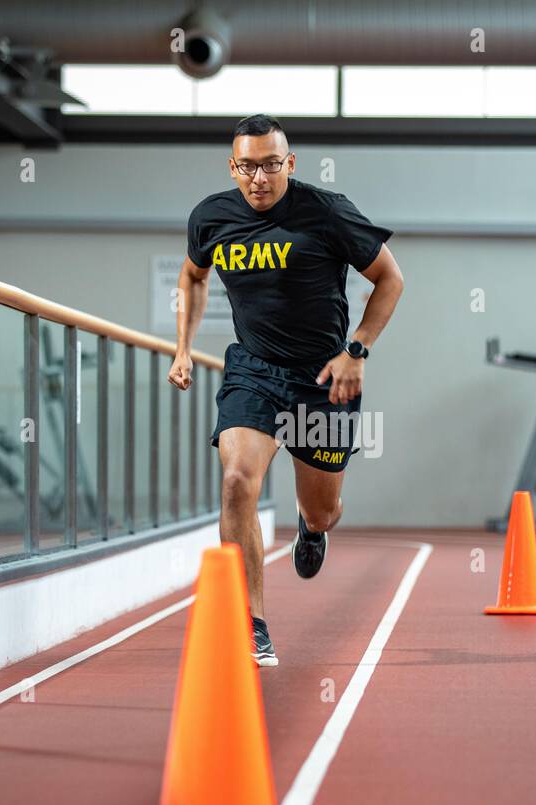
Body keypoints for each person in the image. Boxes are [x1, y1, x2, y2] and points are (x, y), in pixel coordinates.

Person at [168, 113, 404, 665]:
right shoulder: (211, 218)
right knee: (235, 481)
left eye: (271, 165)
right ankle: (250, 622)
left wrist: (357, 350)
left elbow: (391, 279)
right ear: (233, 167)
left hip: (324, 381)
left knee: (323, 510)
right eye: (248, 166)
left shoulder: (325, 212)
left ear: (289, 163)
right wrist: (183, 346)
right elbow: (192, 275)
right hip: (253, 370)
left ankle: (311, 527)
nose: (259, 178)